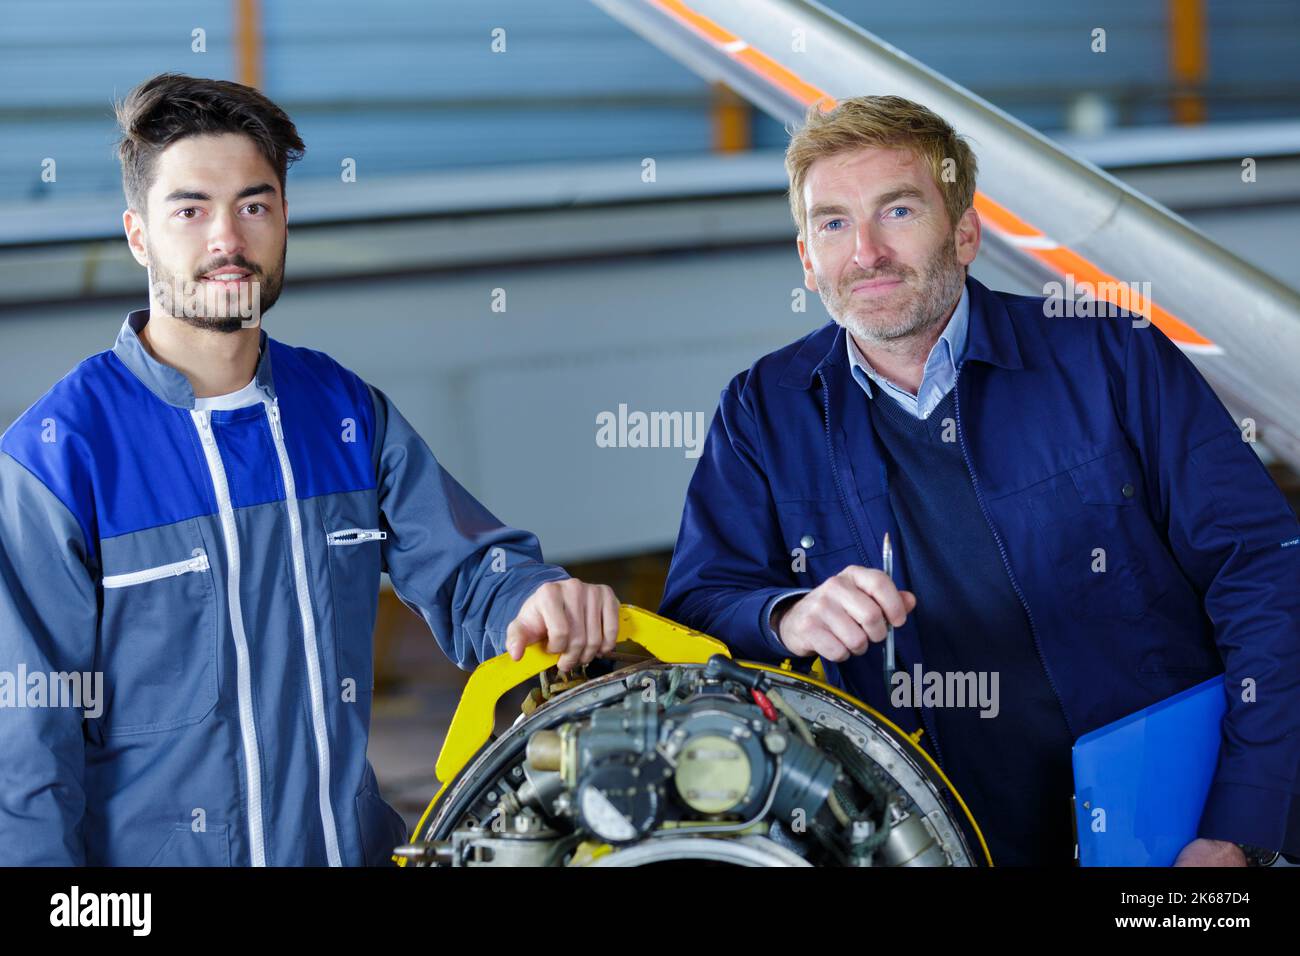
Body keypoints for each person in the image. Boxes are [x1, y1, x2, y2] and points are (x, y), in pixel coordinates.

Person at [660, 94, 1299, 867]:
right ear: (806, 257)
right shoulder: (761, 411)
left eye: (897, 211)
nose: (865, 252)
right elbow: (697, 607)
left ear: (964, 232)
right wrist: (786, 615)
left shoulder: (1110, 357)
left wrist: (1241, 822)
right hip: (926, 839)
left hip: (1168, 830)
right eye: (833, 223)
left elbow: (1264, 575)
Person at [0, 73, 619, 866]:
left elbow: (468, 570)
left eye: (253, 206)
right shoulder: (59, 457)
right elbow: (25, 749)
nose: (227, 240)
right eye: (190, 210)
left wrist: (532, 595)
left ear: (284, 219)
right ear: (138, 235)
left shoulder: (343, 414)